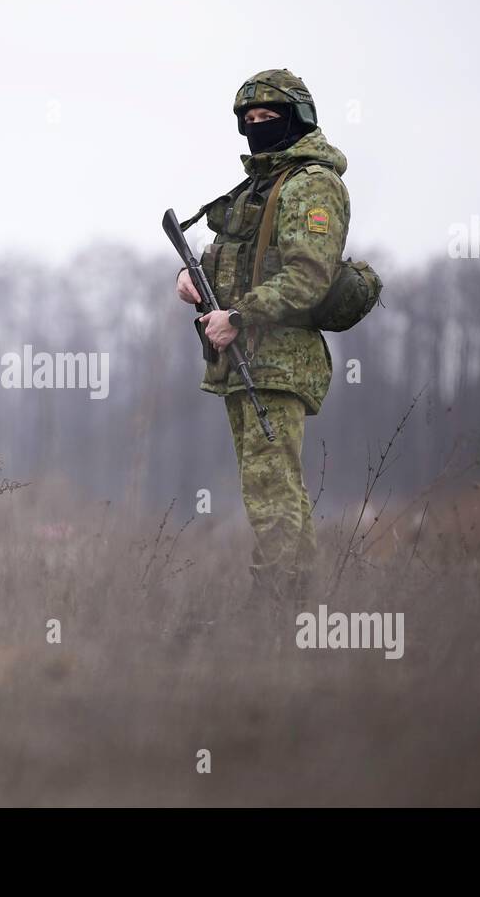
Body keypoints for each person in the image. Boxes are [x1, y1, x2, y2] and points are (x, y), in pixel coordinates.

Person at [174, 69, 351, 609]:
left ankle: (282, 608)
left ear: (296, 120)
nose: (257, 128)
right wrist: (195, 283)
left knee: (273, 492)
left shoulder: (312, 184)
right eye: (248, 121)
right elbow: (239, 258)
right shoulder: (259, 186)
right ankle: (287, 607)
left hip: (277, 361)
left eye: (268, 119)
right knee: (267, 490)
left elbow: (308, 275)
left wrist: (240, 318)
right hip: (241, 359)